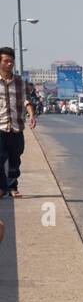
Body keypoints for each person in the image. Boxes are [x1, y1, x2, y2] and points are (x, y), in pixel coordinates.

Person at [0, 47, 37, 197]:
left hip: (16, 127)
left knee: (15, 159)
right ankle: (3, 187)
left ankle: (12, 187)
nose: (9, 64)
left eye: (11, 61)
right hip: (0, 126)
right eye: (6, 61)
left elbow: (27, 101)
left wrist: (32, 115)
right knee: (0, 158)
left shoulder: (20, 82)